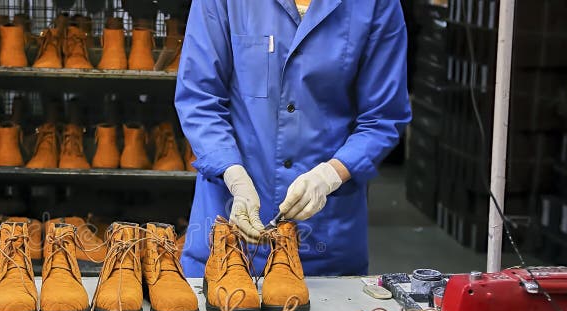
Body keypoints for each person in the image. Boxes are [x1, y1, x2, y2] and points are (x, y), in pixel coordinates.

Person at [175, 0, 412, 277]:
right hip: (228, 232)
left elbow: (383, 116)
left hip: (324, 239)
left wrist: (331, 175)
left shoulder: (375, 5)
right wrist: (233, 175)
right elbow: (199, 99)